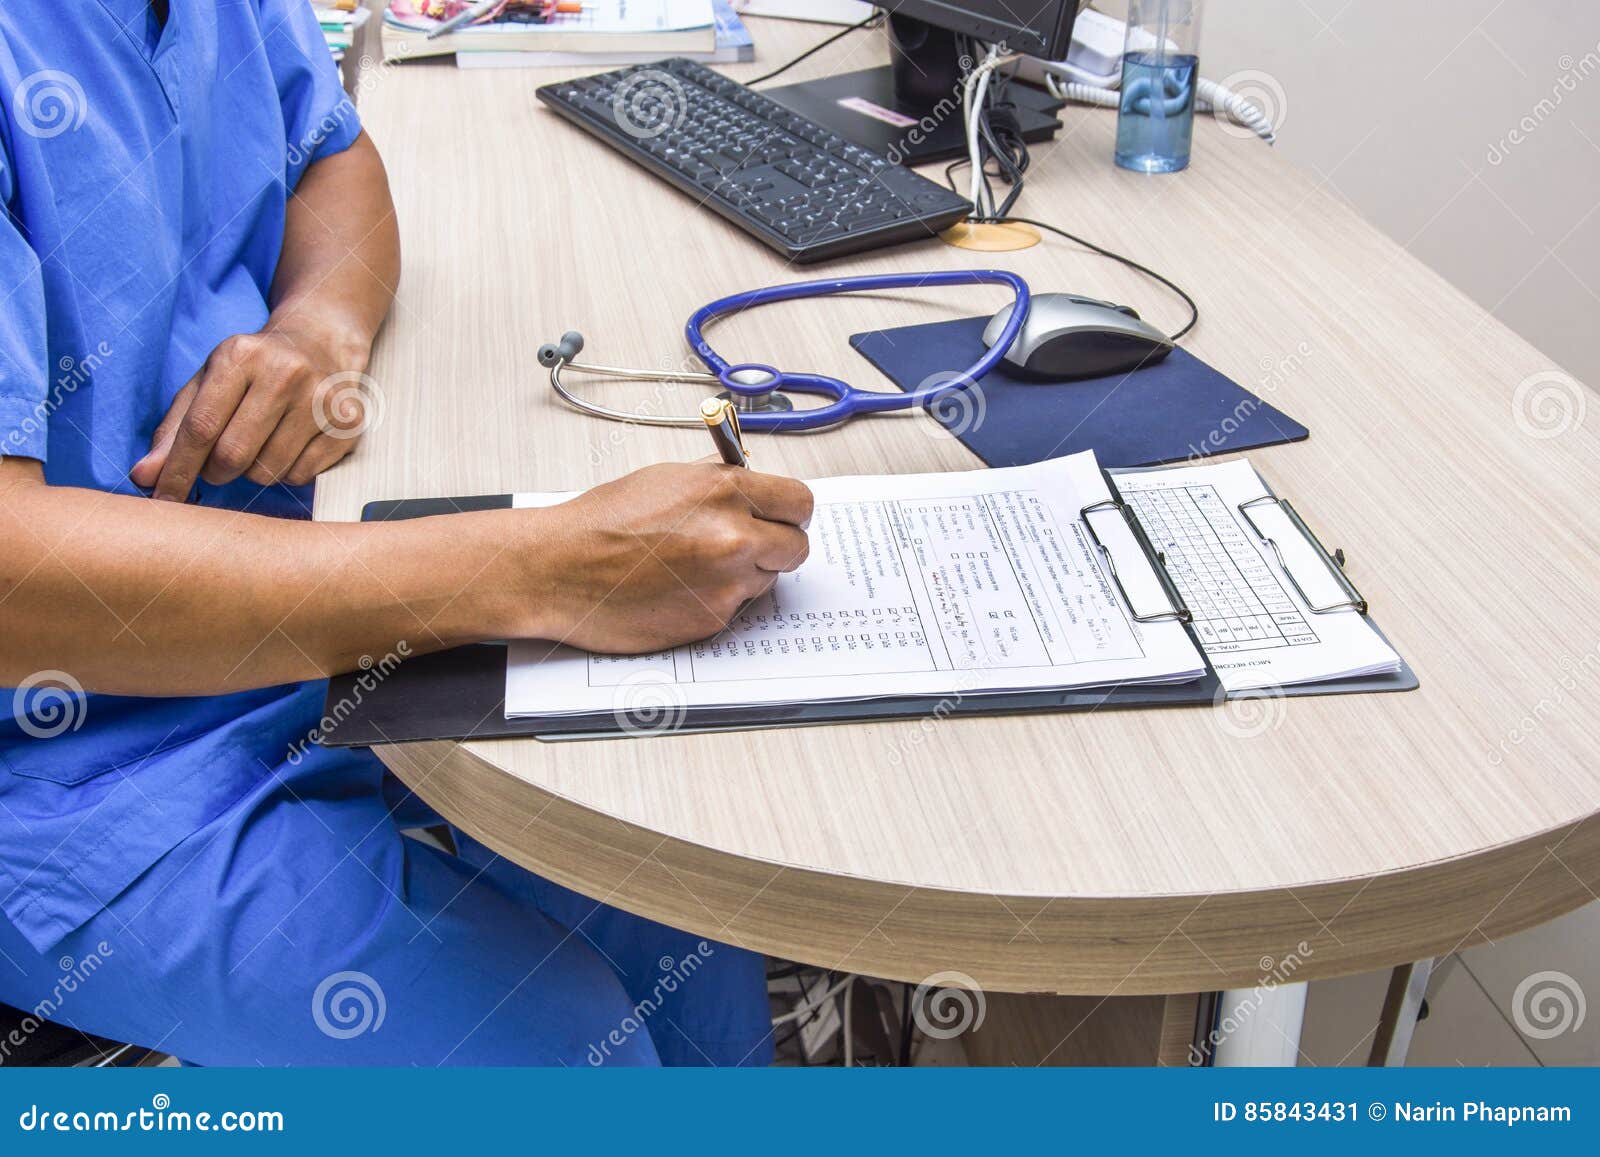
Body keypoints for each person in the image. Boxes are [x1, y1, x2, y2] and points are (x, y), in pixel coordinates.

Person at [0, 1, 811, 1066]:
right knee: (565, 1053)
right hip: (74, 769)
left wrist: (319, 324)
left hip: (319, 610)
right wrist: (546, 567)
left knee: (684, 890)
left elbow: (333, 163)